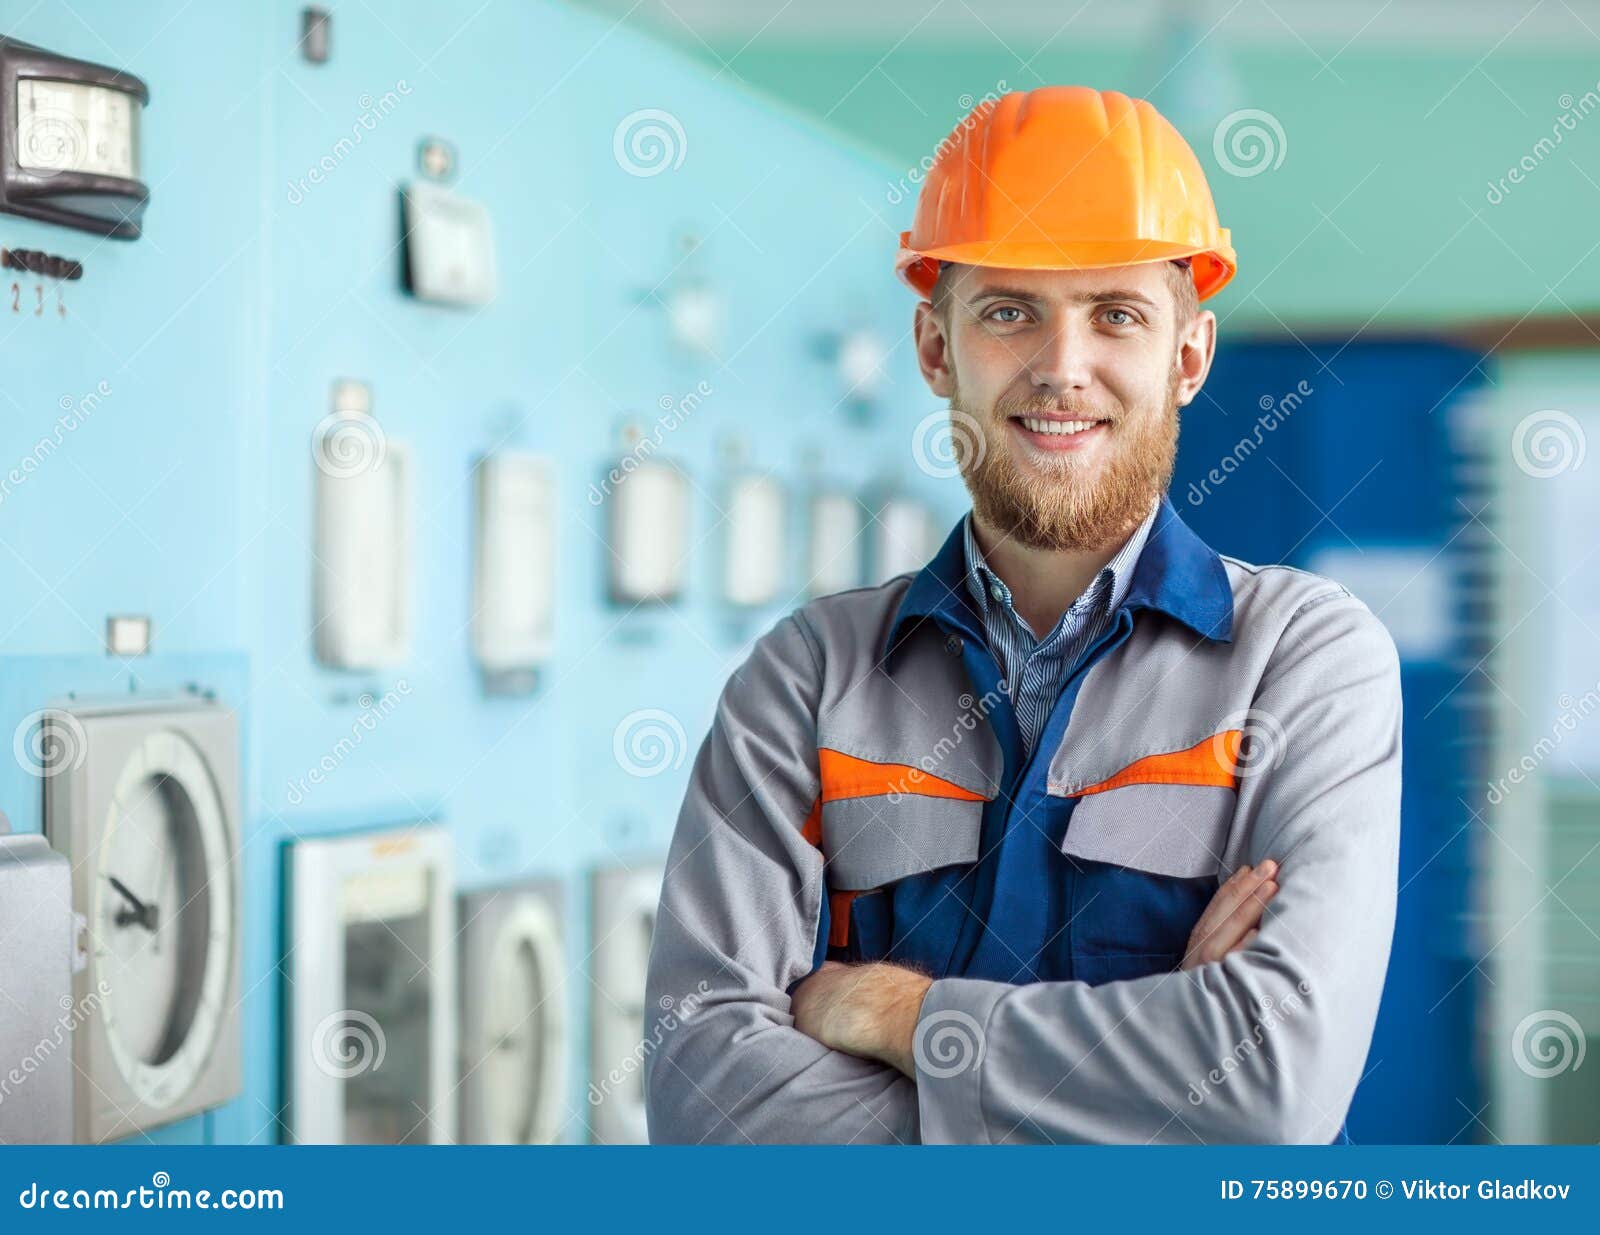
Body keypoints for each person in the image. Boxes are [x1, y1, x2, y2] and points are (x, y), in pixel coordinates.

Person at [642, 85, 1401, 1144]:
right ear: (934, 347)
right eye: (1008, 311)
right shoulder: (806, 679)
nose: (1060, 366)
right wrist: (1147, 1084)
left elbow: (1269, 1088)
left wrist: (897, 1013)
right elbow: (705, 1102)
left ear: (1187, 356)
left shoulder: (1302, 660)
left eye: (1117, 315)